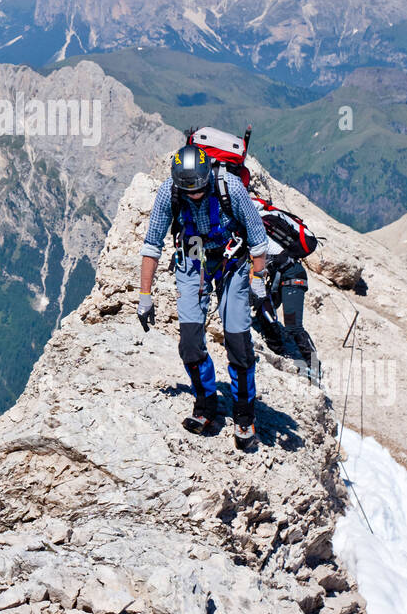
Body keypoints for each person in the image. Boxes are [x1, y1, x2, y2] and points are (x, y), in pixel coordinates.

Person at [137, 144, 268, 448]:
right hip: (193, 256)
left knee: (238, 340)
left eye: (199, 189)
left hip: (231, 260)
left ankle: (244, 415)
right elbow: (152, 245)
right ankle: (206, 405)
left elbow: (258, 239)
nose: (195, 195)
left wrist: (258, 279)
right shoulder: (168, 192)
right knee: (190, 342)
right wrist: (145, 295)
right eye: (189, 190)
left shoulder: (230, 186)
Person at [252, 207, 320, 380]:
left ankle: (314, 366)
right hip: (282, 276)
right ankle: (279, 349)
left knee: (293, 325)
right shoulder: (257, 226)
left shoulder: (254, 232)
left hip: (292, 277)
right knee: (263, 309)